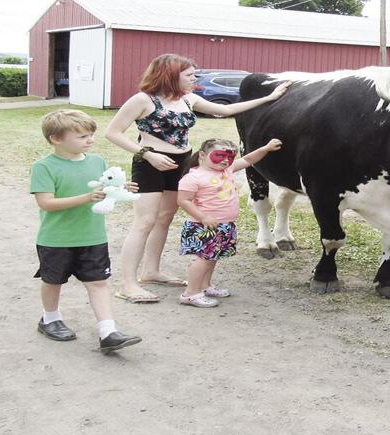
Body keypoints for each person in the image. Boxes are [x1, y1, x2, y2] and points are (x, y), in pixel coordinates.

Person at [105, 54, 289, 303]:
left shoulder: (189, 99)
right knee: (144, 221)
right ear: (170, 75)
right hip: (150, 164)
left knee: (164, 218)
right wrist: (147, 155)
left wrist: (269, 97)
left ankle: (151, 271)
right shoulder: (142, 100)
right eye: (189, 75)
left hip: (181, 163)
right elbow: (113, 133)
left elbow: (225, 110)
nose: (195, 79)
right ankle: (127, 284)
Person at [30, 109, 143, 353]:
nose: (90, 140)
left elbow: (105, 188)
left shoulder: (97, 161)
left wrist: (121, 188)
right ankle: (50, 319)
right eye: (81, 136)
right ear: (56, 139)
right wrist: (85, 198)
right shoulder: (44, 167)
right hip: (57, 239)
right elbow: (46, 203)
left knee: (98, 282)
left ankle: (108, 331)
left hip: (93, 237)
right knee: (53, 281)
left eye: (91, 135)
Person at [173, 137, 284, 307]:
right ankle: (190, 293)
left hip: (223, 225)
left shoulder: (227, 170)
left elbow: (248, 159)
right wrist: (203, 217)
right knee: (203, 259)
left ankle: (205, 286)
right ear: (202, 155)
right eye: (219, 155)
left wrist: (266, 148)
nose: (225, 161)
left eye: (230, 157)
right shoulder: (193, 177)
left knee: (212, 258)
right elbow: (183, 200)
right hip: (204, 226)